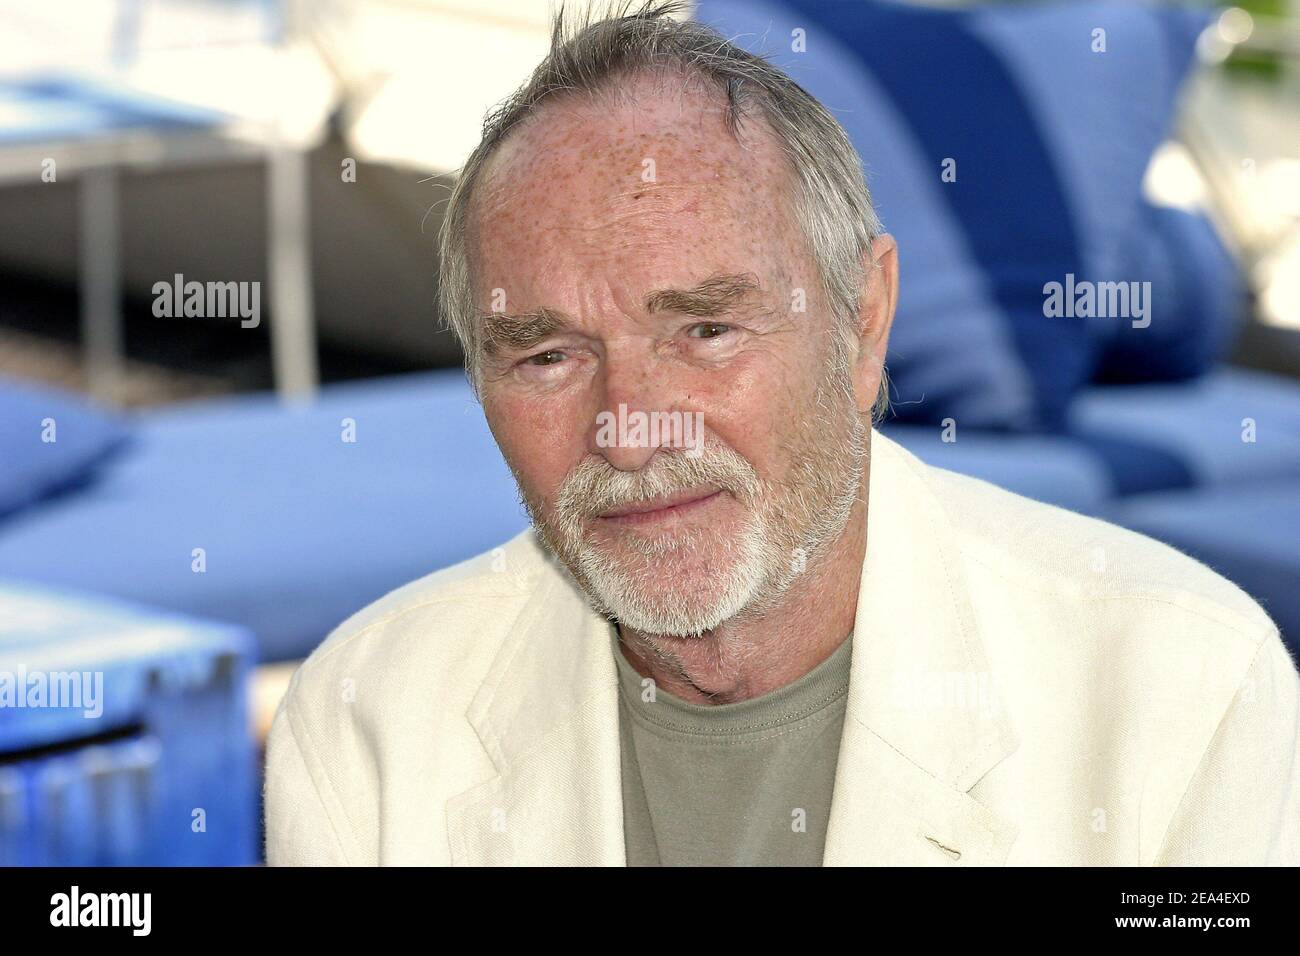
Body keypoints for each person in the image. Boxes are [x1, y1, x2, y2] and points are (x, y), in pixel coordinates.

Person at [265, 1, 1300, 866]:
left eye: (705, 329)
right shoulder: (369, 725)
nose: (630, 431)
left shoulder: (1184, 693)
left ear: (863, 323)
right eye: (547, 357)